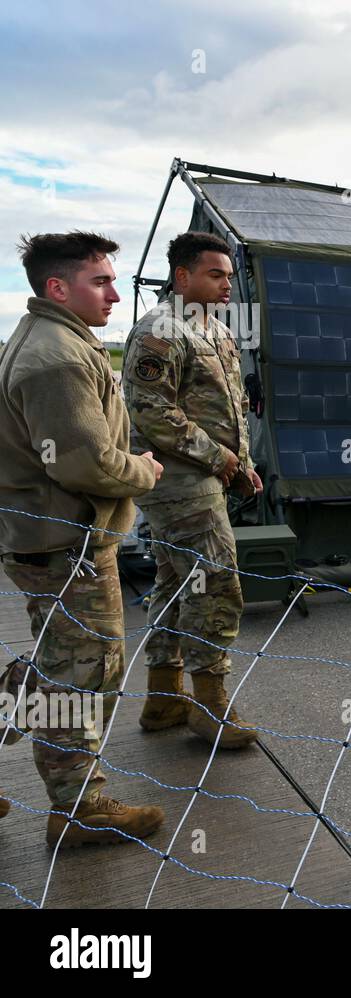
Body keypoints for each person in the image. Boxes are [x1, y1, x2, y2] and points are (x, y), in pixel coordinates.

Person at [0, 232, 164, 845]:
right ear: (57, 288)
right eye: (101, 281)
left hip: (51, 540)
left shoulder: (54, 339)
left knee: (57, 661)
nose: (116, 294)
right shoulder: (59, 357)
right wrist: (143, 470)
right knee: (85, 674)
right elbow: (83, 462)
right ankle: (78, 809)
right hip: (69, 546)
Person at [121, 232, 262, 749]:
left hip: (204, 477)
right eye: (215, 275)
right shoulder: (160, 331)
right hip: (179, 480)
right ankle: (209, 706)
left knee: (178, 586)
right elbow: (153, 412)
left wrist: (242, 464)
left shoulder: (211, 328)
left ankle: (163, 698)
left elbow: (228, 407)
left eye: (228, 275)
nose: (228, 284)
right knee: (215, 582)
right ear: (183, 276)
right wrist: (221, 459)